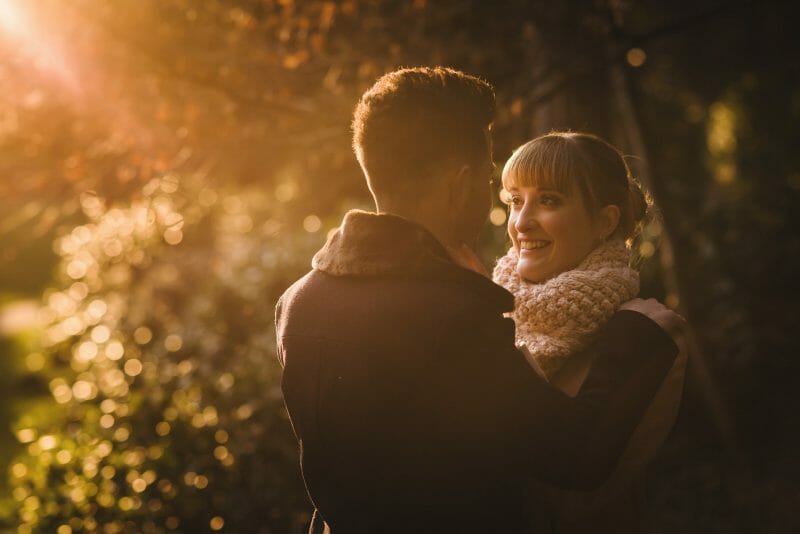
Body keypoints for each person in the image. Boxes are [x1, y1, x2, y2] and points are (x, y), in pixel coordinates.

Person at [274, 67, 682, 534]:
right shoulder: (455, 315)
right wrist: (638, 331)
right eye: (494, 183)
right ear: (459, 182)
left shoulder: (298, 301)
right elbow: (576, 456)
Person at [492, 132, 688, 532]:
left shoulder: (644, 330)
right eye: (516, 200)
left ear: (605, 221)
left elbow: (578, 476)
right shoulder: (496, 311)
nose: (522, 221)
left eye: (548, 200)